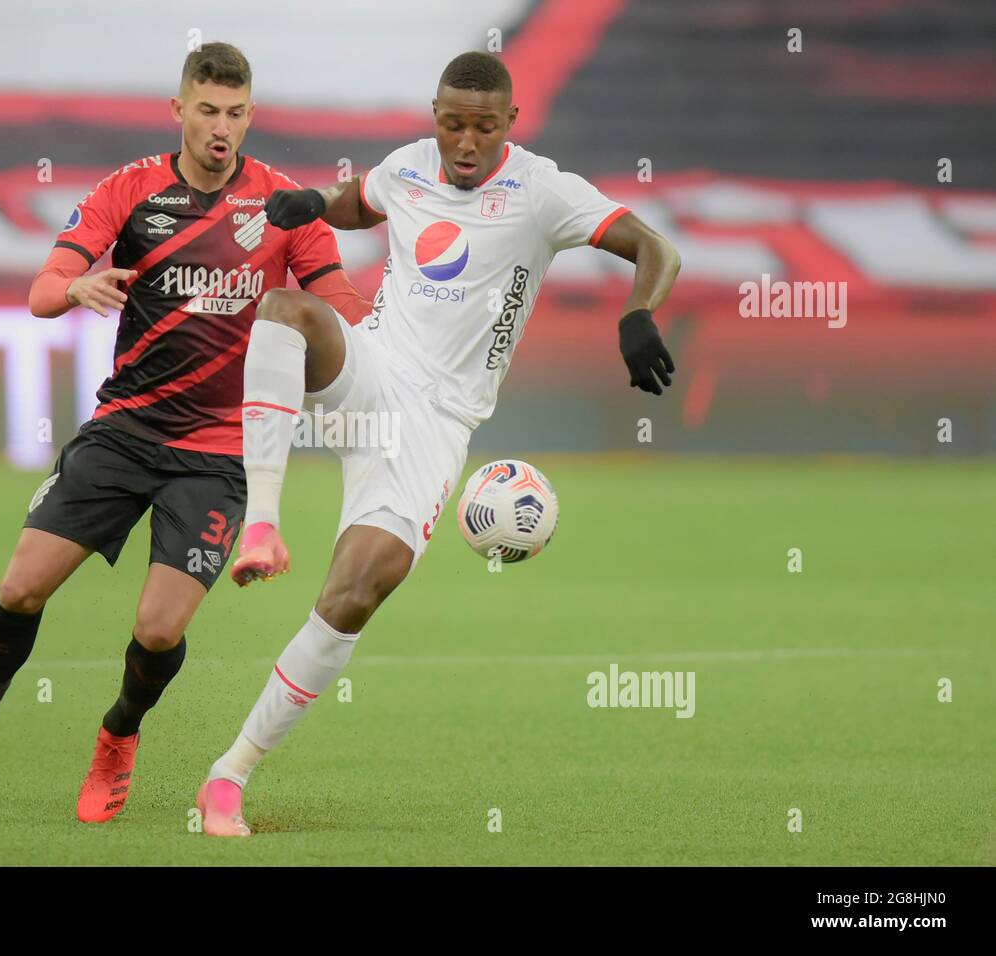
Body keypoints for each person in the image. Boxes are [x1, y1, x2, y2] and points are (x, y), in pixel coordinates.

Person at [0, 42, 370, 824]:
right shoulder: (131, 190)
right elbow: (45, 291)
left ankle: (118, 735)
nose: (222, 126)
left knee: (157, 626)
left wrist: (376, 333)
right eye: (207, 110)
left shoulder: (282, 205)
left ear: (251, 115)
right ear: (178, 110)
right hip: (124, 430)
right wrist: (75, 285)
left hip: (216, 455)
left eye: (236, 113)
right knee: (20, 586)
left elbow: (341, 302)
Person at [196, 51, 680, 836]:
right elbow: (360, 203)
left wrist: (638, 314)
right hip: (373, 369)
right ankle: (262, 523)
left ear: (510, 125)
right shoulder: (410, 167)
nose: (464, 143)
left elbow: (658, 248)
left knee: (353, 594)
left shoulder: (543, 191)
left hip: (434, 425)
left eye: (482, 128)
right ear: (434, 114)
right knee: (284, 308)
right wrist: (312, 203)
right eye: (451, 123)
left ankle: (229, 773)